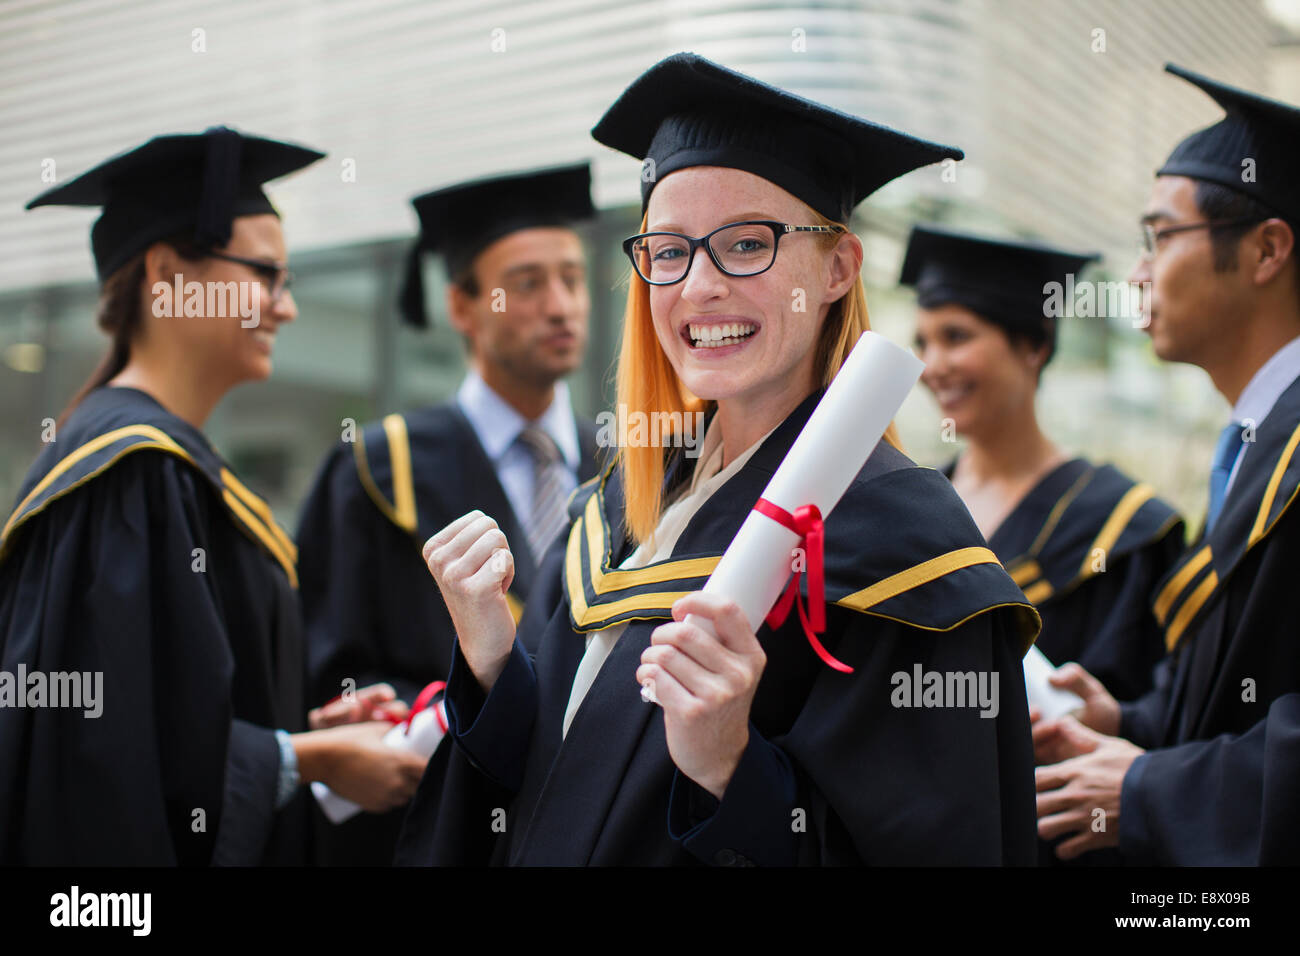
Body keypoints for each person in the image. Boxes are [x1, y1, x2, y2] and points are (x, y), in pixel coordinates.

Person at [395, 53, 1041, 866]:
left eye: (745, 244)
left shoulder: (904, 550)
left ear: (838, 267)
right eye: (668, 252)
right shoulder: (618, 513)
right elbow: (556, 785)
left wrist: (727, 765)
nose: (698, 286)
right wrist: (492, 656)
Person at [0, 127, 426, 865]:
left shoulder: (162, 464)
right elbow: (97, 756)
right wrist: (307, 761)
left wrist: (304, 730)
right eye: (265, 275)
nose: (285, 308)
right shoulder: (128, 474)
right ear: (167, 273)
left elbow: (176, 713)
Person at [296, 163, 605, 864]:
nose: (561, 305)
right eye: (527, 283)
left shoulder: (622, 467)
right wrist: (391, 706)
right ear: (462, 306)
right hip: (438, 824)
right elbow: (329, 665)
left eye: (573, 277)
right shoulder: (378, 468)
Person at [1034, 65, 1300, 865]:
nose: (1139, 273)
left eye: (1159, 237)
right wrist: (1132, 724)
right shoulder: (1257, 444)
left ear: (1266, 250)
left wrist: (1152, 789)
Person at [904, 225, 1184, 703]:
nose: (932, 365)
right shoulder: (914, 504)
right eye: (922, 344)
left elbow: (1150, 710)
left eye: (956, 337)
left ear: (1035, 346)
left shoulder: (1124, 529)